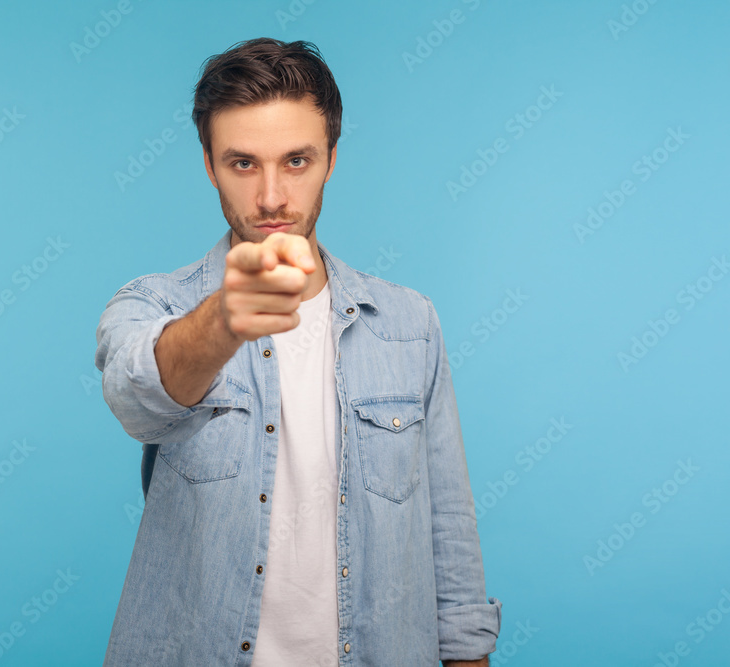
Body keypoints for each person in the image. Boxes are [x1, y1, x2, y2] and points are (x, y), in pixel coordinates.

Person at [95, 37, 502, 666]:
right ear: (208, 164)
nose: (272, 198)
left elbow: (447, 527)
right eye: (242, 163)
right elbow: (137, 398)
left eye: (296, 161)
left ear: (331, 159)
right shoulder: (155, 306)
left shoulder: (408, 323)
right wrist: (224, 322)